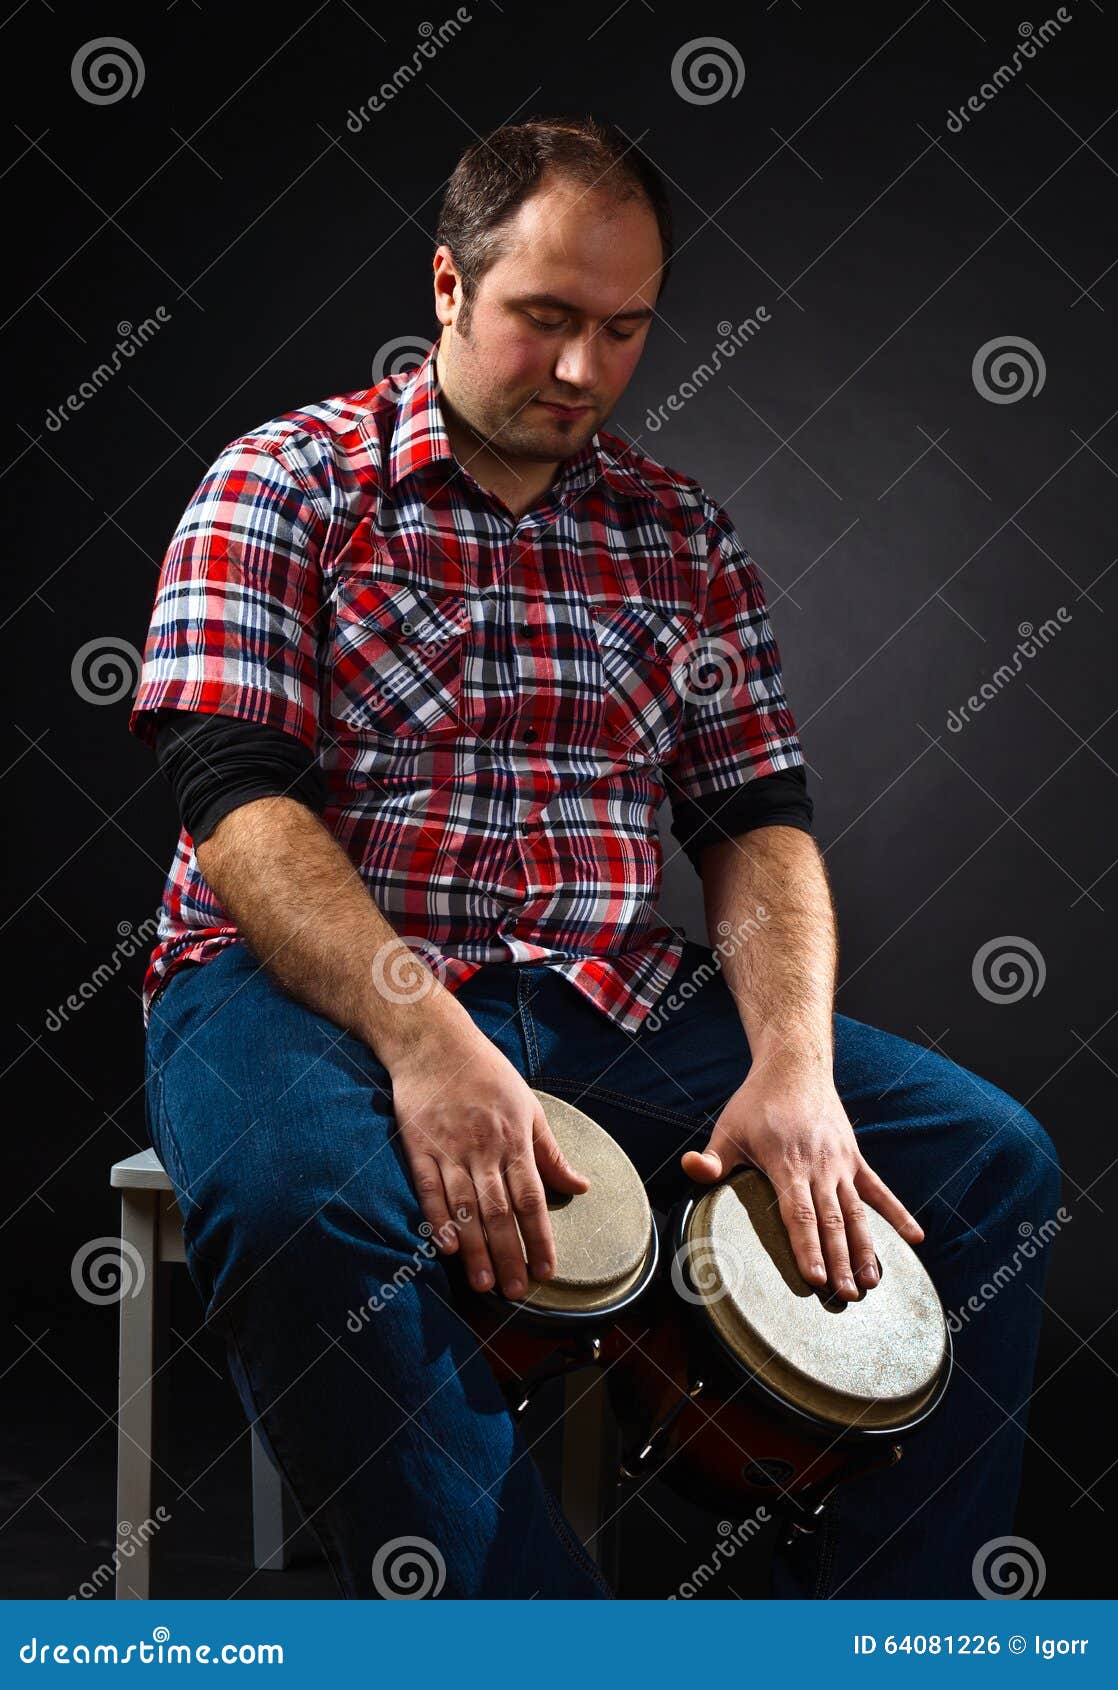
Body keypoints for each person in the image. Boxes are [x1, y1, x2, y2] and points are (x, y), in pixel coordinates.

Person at [130, 115, 1062, 1600]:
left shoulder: (677, 536)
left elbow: (753, 824)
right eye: (544, 319)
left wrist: (793, 1063)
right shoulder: (281, 484)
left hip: (601, 997)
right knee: (310, 1207)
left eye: (621, 329)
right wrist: (420, 1036)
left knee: (989, 1164)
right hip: (292, 994)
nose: (580, 371)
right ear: (447, 285)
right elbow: (238, 802)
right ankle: (530, 1637)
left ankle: (888, 1641)